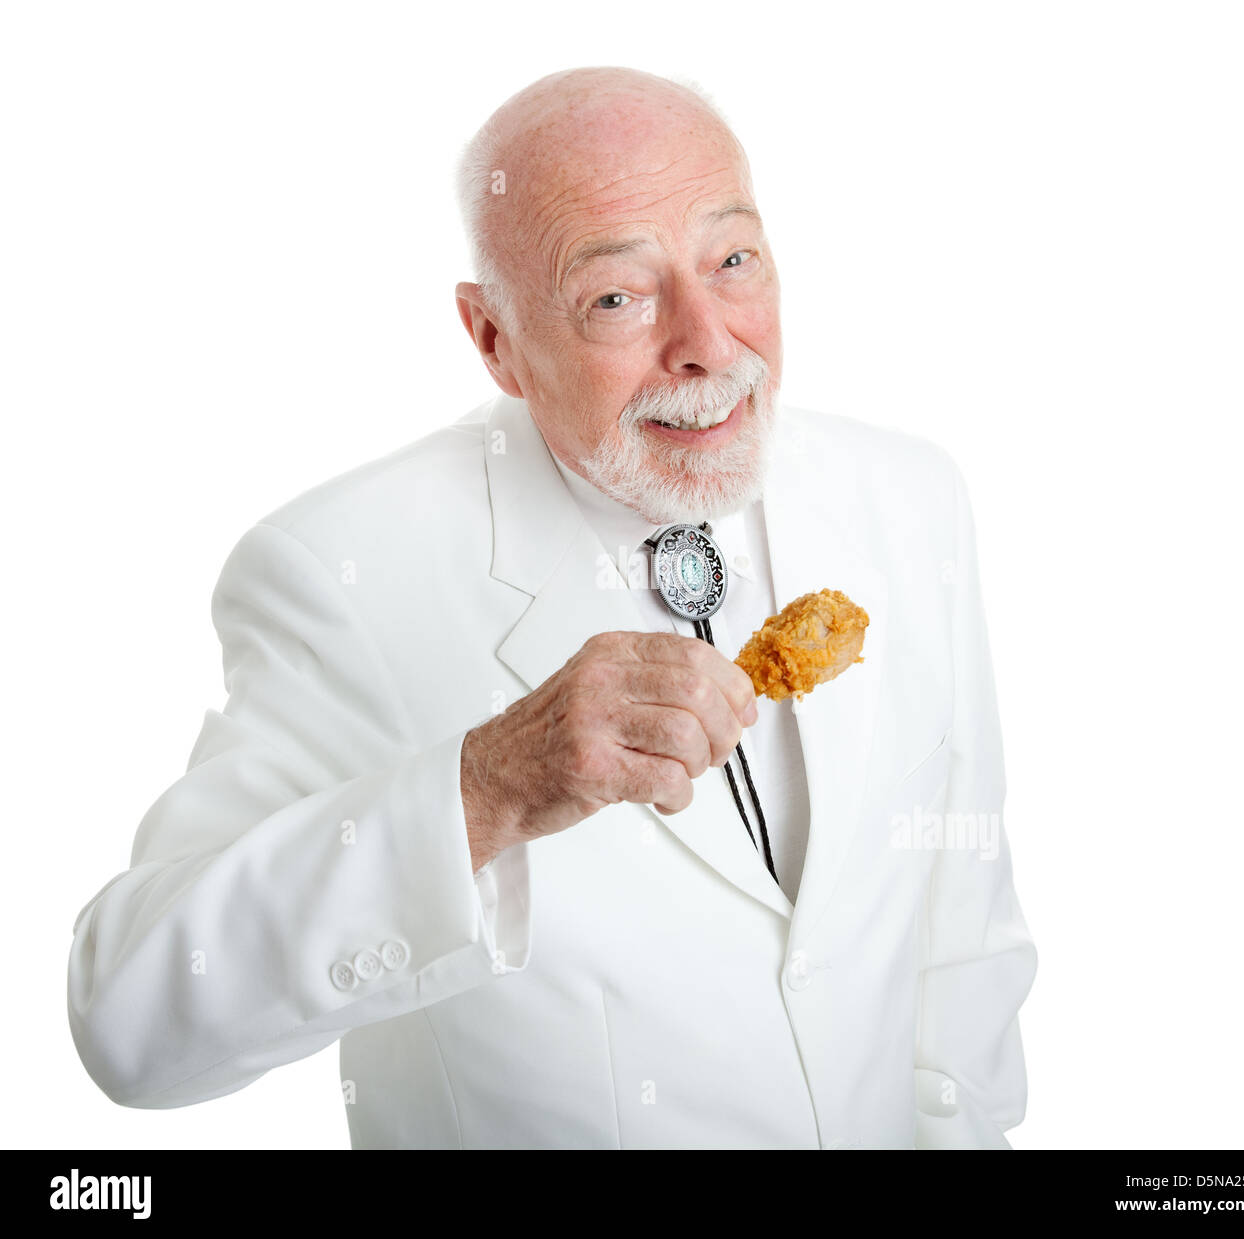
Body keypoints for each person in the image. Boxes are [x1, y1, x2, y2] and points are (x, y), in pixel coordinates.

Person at [67, 66, 1037, 1149]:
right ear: (494, 341)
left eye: (732, 260)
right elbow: (131, 1022)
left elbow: (963, 941)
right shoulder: (336, 572)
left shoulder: (911, 498)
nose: (708, 345)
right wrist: (485, 788)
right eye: (616, 297)